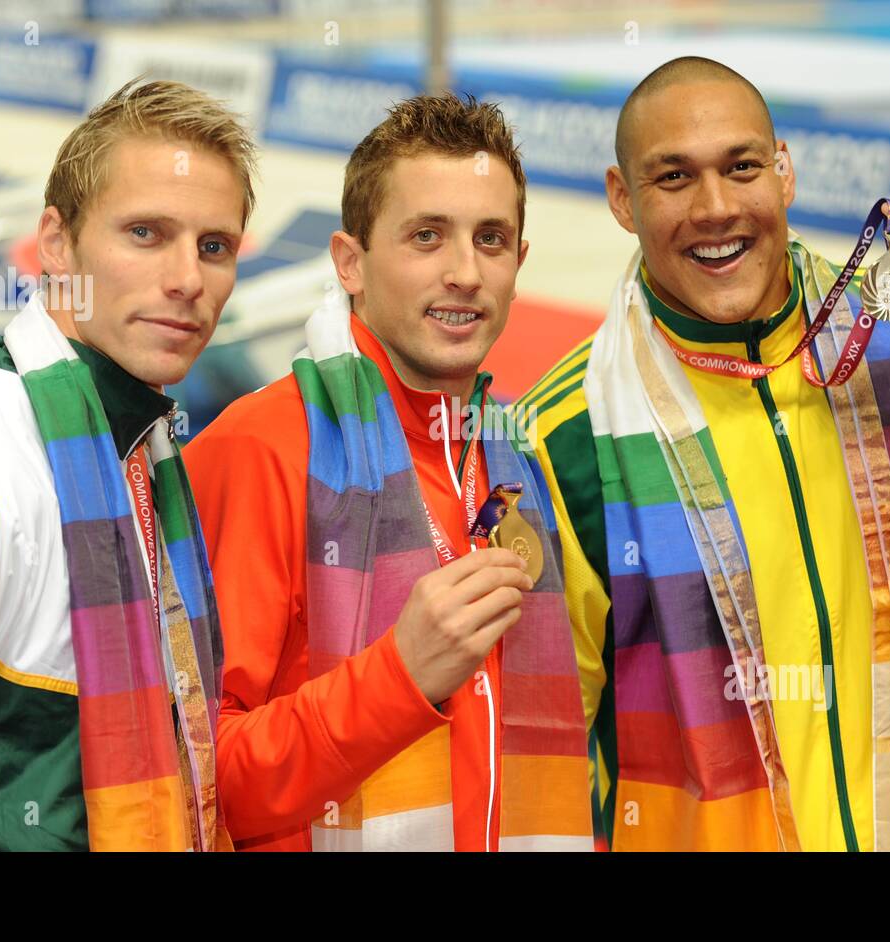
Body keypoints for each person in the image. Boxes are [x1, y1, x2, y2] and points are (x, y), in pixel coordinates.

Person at [514, 56, 890, 852]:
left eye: (742, 168)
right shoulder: (563, 436)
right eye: (673, 178)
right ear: (621, 199)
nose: (715, 208)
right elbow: (540, 763)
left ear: (785, 172)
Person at [0, 77, 257, 851]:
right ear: (57, 244)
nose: (188, 280)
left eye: (214, 247)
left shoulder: (137, 445)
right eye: (145, 233)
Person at [184, 94, 592, 851]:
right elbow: (194, 782)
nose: (465, 272)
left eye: (491, 239)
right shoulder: (262, 449)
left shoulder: (512, 461)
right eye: (427, 237)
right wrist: (398, 678)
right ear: (351, 263)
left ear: (520, 264)